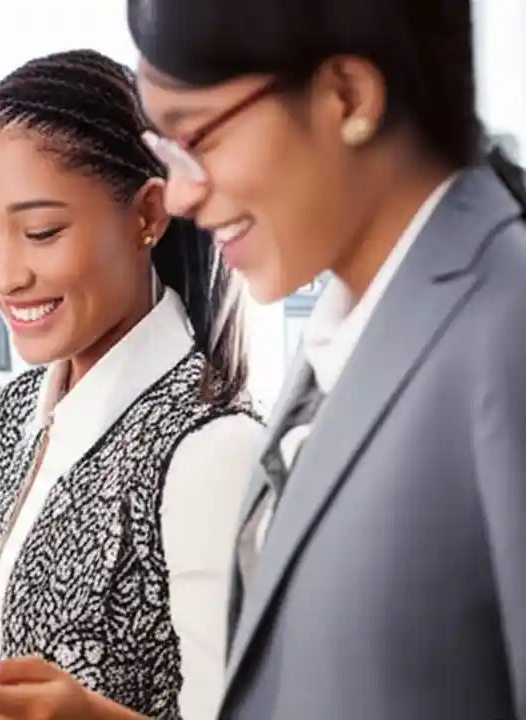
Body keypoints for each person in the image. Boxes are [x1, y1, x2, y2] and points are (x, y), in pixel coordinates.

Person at [125, 0, 526, 717]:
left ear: (347, 95)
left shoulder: (506, 327)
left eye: (198, 139)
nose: (181, 194)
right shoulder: (352, 331)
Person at [0, 50, 265, 719]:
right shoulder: (19, 409)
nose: (6, 275)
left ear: (148, 214)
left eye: (41, 232)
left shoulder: (211, 449)